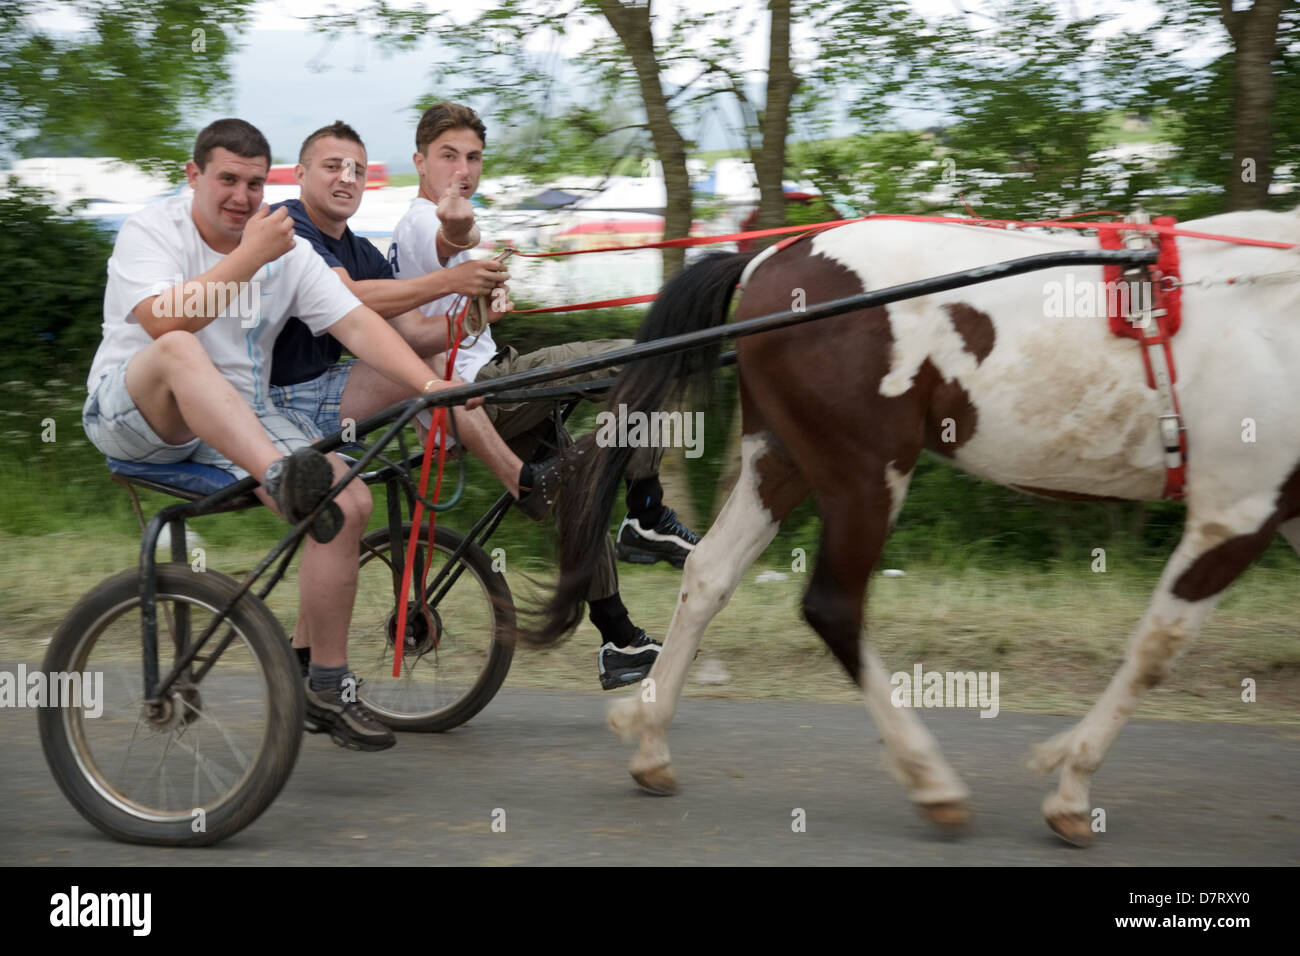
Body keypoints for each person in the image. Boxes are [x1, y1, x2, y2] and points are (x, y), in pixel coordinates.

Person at [82, 118, 552, 753]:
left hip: (231, 417)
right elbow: (168, 317)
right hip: (137, 411)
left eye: (253, 183)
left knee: (349, 502)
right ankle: (282, 477)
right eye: (226, 179)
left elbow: (358, 325)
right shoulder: (155, 229)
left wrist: (432, 387)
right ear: (193, 176)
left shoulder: (292, 252)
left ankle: (325, 686)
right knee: (176, 349)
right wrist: (250, 254)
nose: (241, 197)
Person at [272, 112, 696, 690]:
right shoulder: (421, 219)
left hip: (471, 380)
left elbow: (415, 330)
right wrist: (462, 238)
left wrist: (475, 313)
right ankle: (644, 511)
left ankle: (618, 637)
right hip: (480, 387)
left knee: (579, 493)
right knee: (643, 357)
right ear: (419, 162)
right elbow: (448, 236)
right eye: (448, 155)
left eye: (472, 158)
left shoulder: (367, 249)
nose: (462, 170)